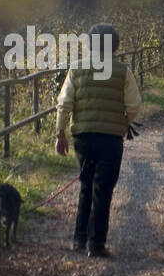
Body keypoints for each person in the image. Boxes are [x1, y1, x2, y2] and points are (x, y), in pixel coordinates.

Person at [55, 23, 142, 258]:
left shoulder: (77, 68)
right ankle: (97, 244)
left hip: (83, 136)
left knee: (86, 185)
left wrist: (60, 133)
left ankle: (78, 239)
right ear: (114, 45)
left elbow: (64, 104)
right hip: (111, 139)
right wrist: (124, 123)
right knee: (103, 190)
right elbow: (134, 106)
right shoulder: (123, 70)